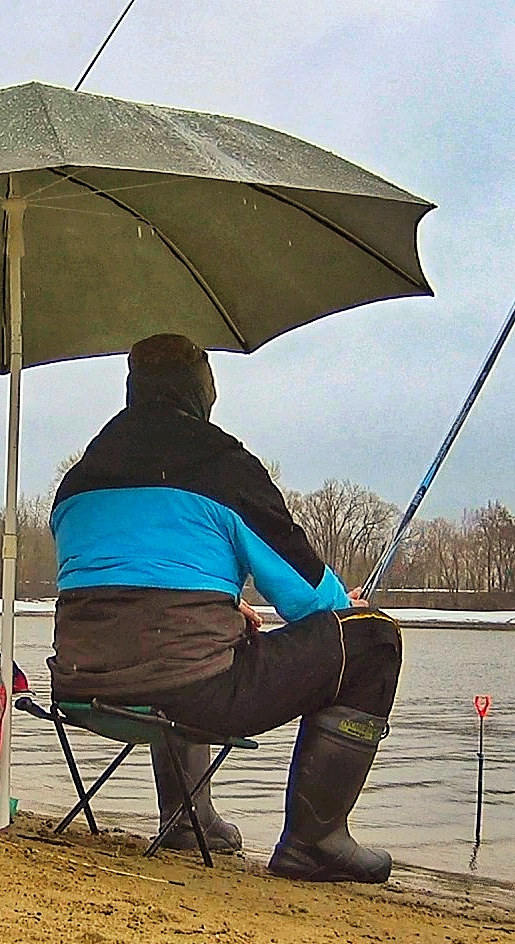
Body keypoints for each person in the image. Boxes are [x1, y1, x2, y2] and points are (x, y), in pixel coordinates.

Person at [48, 334, 404, 883]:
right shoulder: (224, 468)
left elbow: (122, 587)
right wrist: (345, 610)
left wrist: (222, 608)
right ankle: (316, 842)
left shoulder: (78, 481)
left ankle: (187, 823)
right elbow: (307, 599)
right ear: (203, 394)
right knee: (373, 643)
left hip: (79, 685)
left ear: (131, 391)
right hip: (185, 691)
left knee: (193, 649)